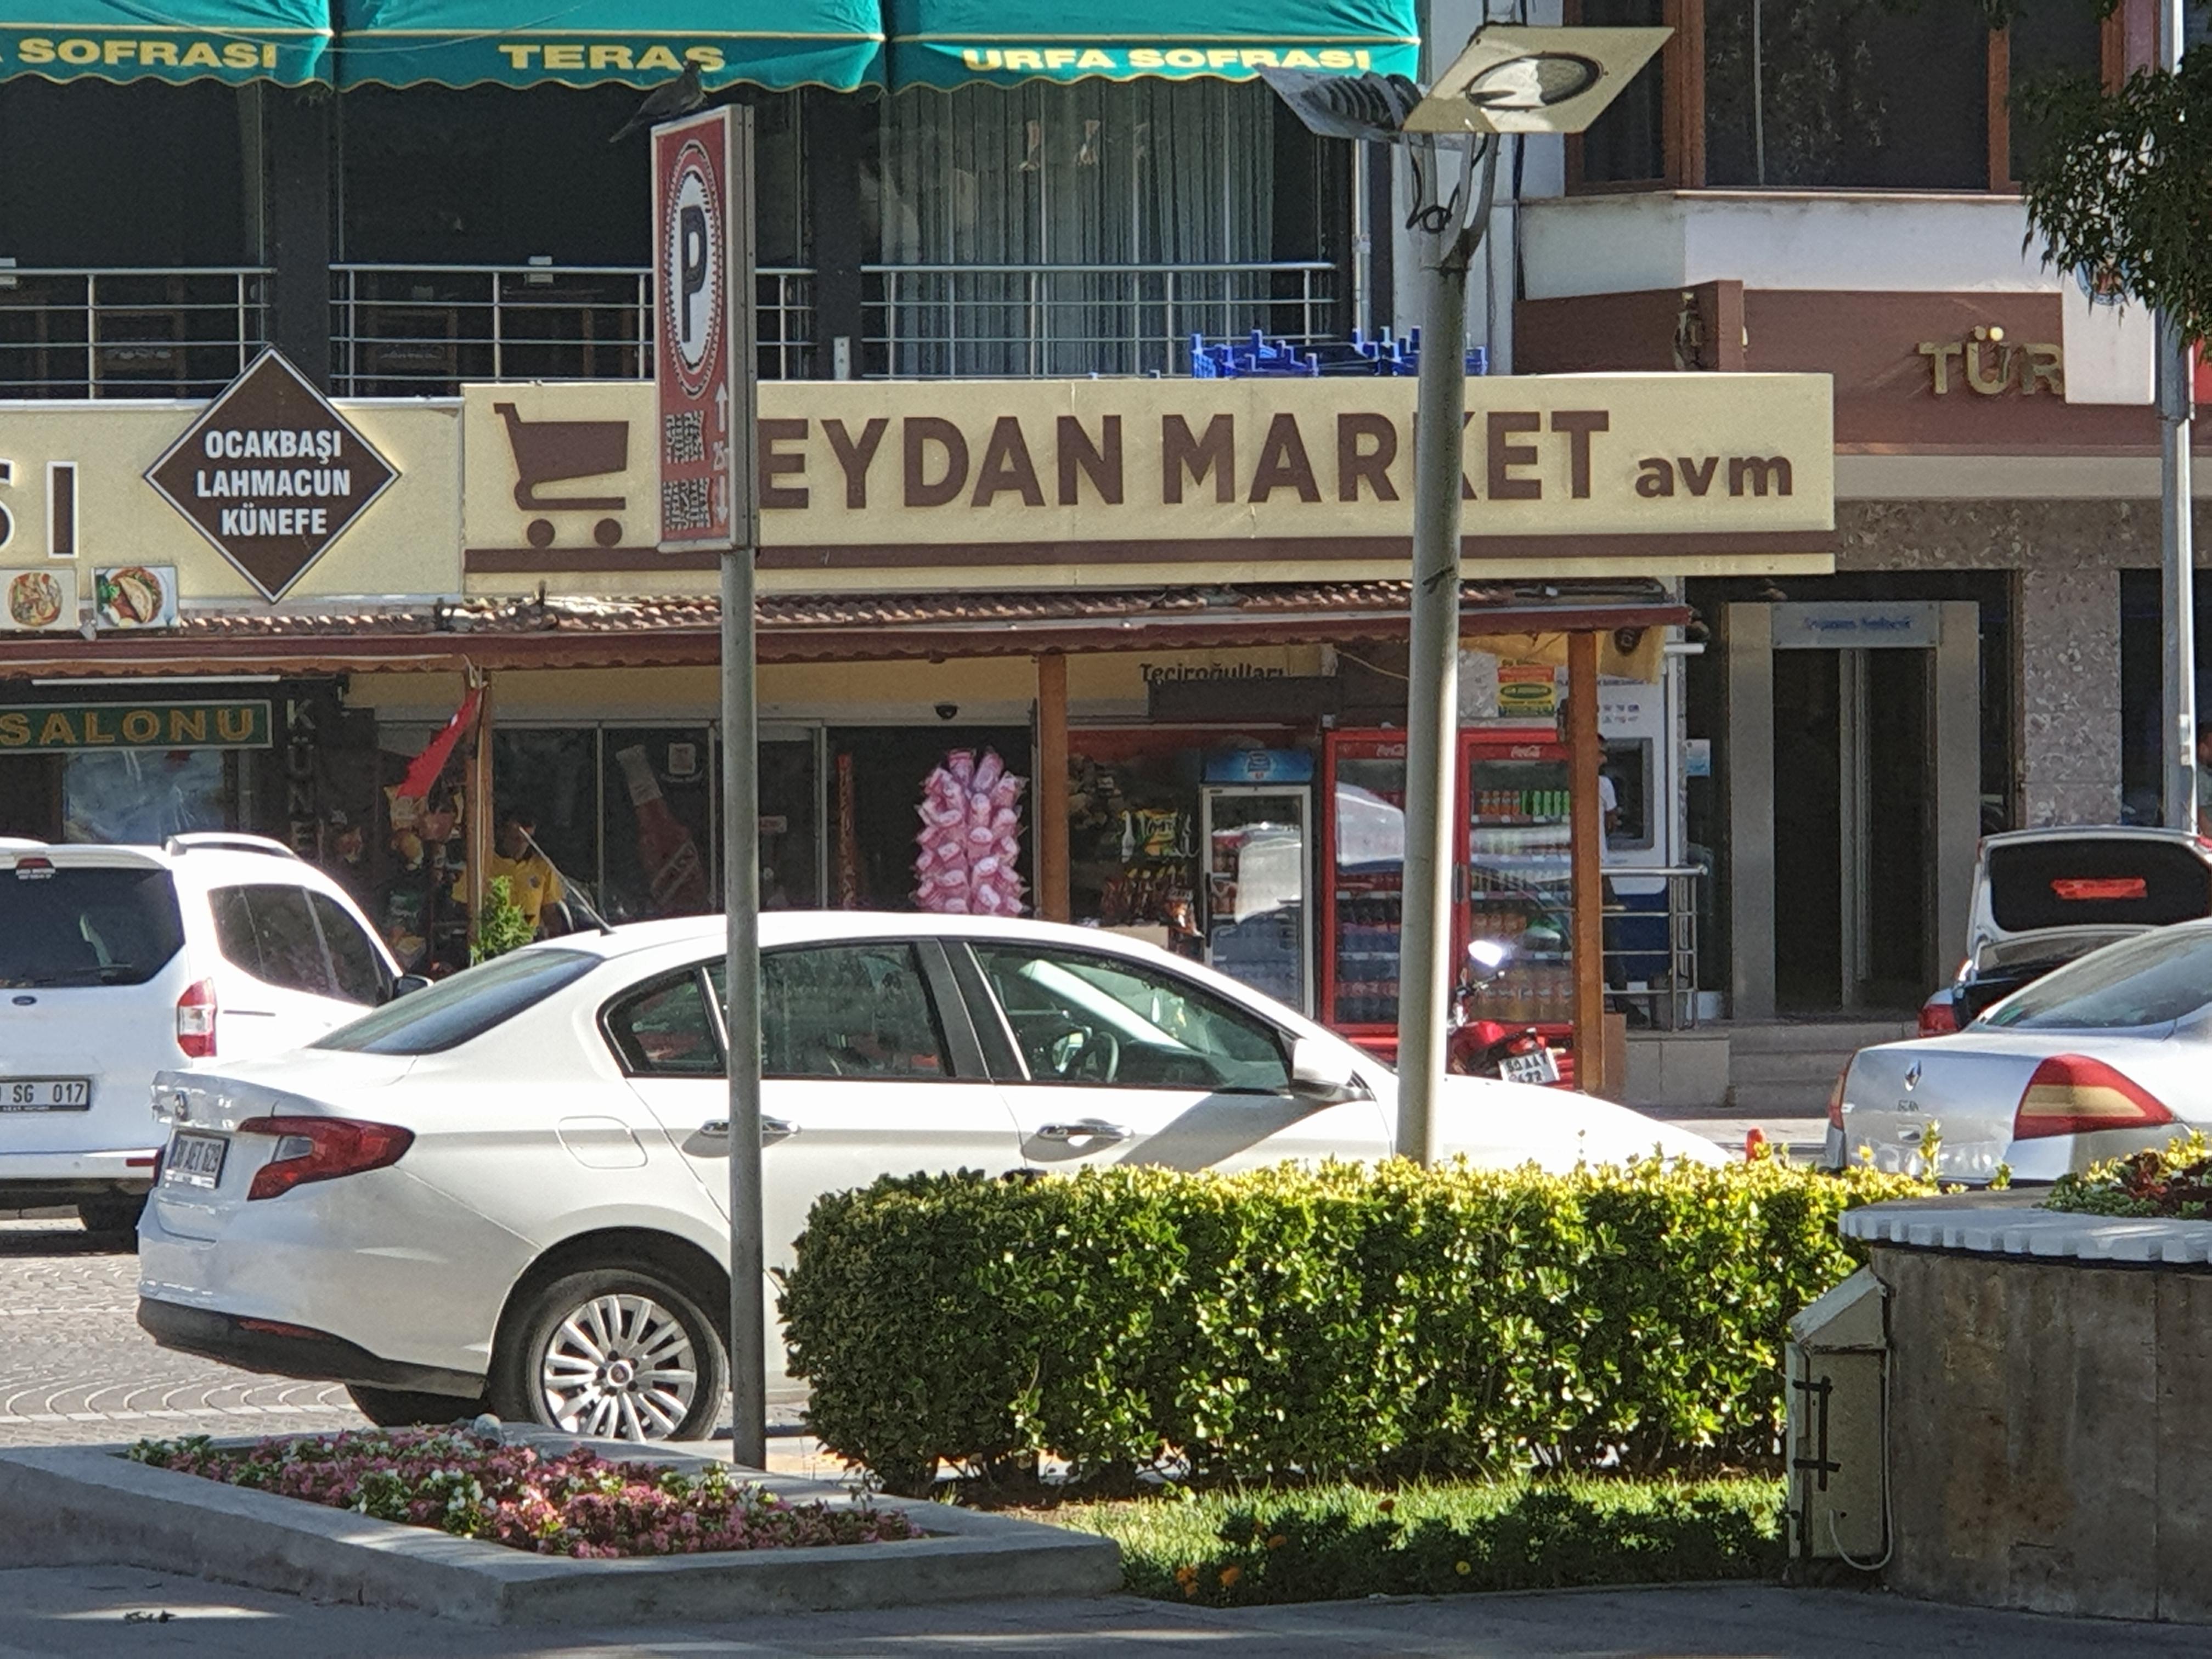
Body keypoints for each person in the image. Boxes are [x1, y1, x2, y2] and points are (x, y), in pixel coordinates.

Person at [484, 810, 565, 935]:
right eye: (516, 839)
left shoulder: (542, 867)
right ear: (503, 833)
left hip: (530, 942)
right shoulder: (483, 865)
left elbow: (550, 912)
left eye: (527, 840)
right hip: (493, 940)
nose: (522, 845)